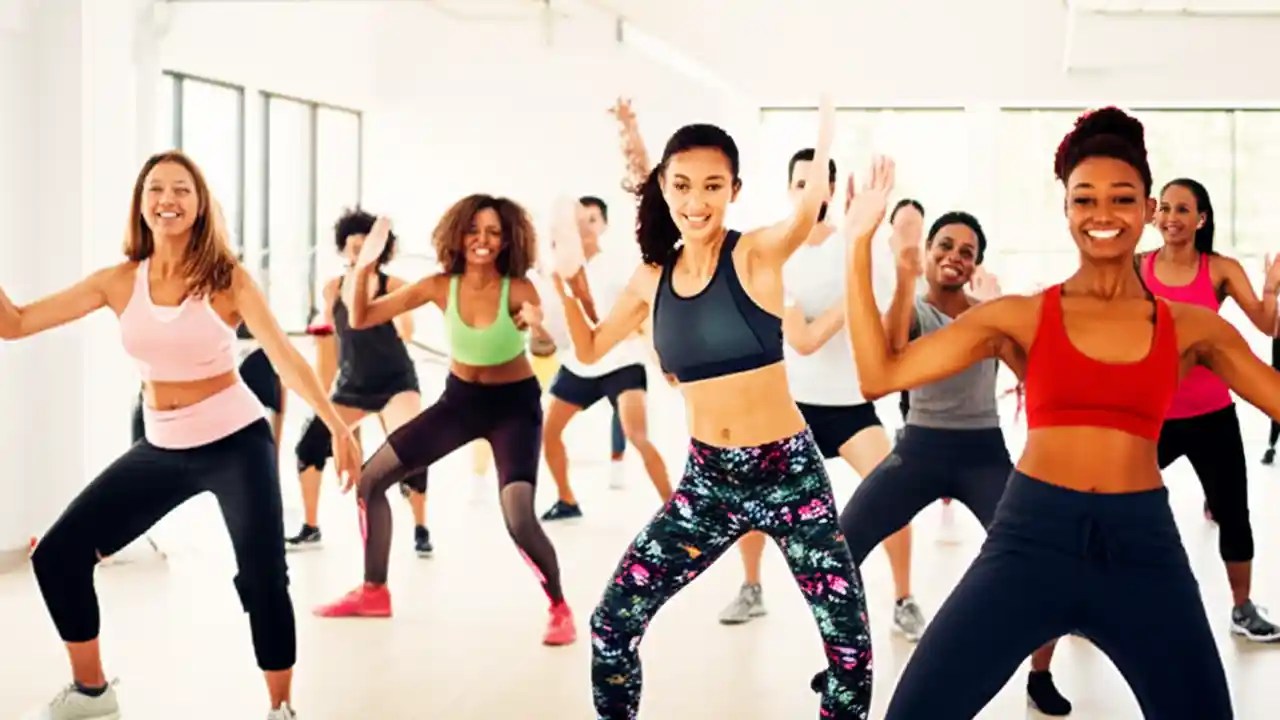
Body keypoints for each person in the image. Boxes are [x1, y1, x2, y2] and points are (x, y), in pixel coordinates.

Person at [842, 107, 1267, 719]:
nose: (1102, 214)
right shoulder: (1020, 316)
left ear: (1148, 209)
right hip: (1031, 538)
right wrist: (858, 244)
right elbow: (879, 374)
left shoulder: (1193, 328)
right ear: (1065, 207)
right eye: (1084, 198)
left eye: (1122, 198)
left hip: (1142, 547)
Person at [4, 150, 360, 720]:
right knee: (58, 557)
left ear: (199, 205)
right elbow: (16, 323)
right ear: (141, 203)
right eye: (156, 189)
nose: (167, 199)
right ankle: (92, 692)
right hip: (162, 447)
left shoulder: (226, 280)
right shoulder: (119, 281)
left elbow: (285, 358)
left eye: (181, 190)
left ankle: (281, 707)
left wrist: (337, 426)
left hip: (236, 442)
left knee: (264, 579)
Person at [557, 100, 872, 720]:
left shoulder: (754, 253)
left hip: (790, 476)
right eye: (681, 185)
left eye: (712, 186)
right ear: (663, 187)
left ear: (733, 190)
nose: (696, 201)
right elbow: (591, 346)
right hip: (708, 483)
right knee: (611, 624)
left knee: (849, 652)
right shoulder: (651, 278)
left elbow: (806, 208)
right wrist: (566, 281)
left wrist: (825, 135)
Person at [818, 210, 1071, 715]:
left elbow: (1035, 374)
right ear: (929, 252)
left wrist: (1002, 309)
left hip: (983, 452)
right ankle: (845, 662)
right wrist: (904, 273)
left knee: (1045, 559)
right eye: (946, 246)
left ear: (976, 264)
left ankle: (1040, 675)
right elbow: (891, 348)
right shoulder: (912, 307)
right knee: (837, 551)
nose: (955, 257)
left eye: (966, 252)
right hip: (918, 450)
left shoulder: (988, 314)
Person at [311, 195, 577, 647]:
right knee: (371, 481)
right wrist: (365, 264)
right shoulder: (439, 286)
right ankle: (373, 591)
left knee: (518, 513)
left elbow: (544, 352)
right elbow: (360, 317)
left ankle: (559, 607)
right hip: (460, 402)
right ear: (457, 234)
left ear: (507, 239)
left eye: (493, 232)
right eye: (473, 230)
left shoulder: (518, 289)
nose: (482, 240)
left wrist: (537, 327)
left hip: (514, 408)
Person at [713, 148, 921, 638]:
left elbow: (885, 310)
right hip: (791, 406)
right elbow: (803, 340)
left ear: (830, 189)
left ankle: (904, 599)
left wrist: (863, 247)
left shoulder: (855, 244)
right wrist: (853, 290)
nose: (809, 191)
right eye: (800, 183)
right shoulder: (774, 254)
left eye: (818, 182)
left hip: (850, 405)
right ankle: (751, 587)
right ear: (791, 190)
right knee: (751, 494)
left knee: (894, 492)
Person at [1139, 178, 1280, 640]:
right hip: (1151, 415)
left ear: (1201, 219)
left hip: (1211, 413)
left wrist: (1271, 289)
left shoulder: (1219, 269)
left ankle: (1242, 608)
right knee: (1108, 501)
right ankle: (1086, 599)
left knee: (1233, 512)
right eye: (1165, 208)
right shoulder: (1137, 267)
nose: (1171, 218)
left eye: (1183, 210)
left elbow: (1267, 326)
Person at [286, 209, 432, 557]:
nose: (360, 244)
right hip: (353, 384)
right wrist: (321, 394)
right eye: (354, 239)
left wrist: (391, 311)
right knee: (309, 445)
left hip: (396, 382)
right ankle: (310, 526)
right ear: (344, 245)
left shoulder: (393, 285)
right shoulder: (332, 289)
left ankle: (421, 527)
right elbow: (333, 343)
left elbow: (407, 331)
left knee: (413, 446)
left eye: (368, 240)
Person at [540, 195, 672, 522]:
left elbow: (643, 314)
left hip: (622, 364)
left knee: (637, 436)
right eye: (579, 220)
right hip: (580, 365)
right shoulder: (558, 272)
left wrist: (660, 356)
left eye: (592, 220)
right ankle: (567, 500)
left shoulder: (616, 267)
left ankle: (675, 509)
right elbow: (557, 327)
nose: (584, 226)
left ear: (604, 226)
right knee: (548, 432)